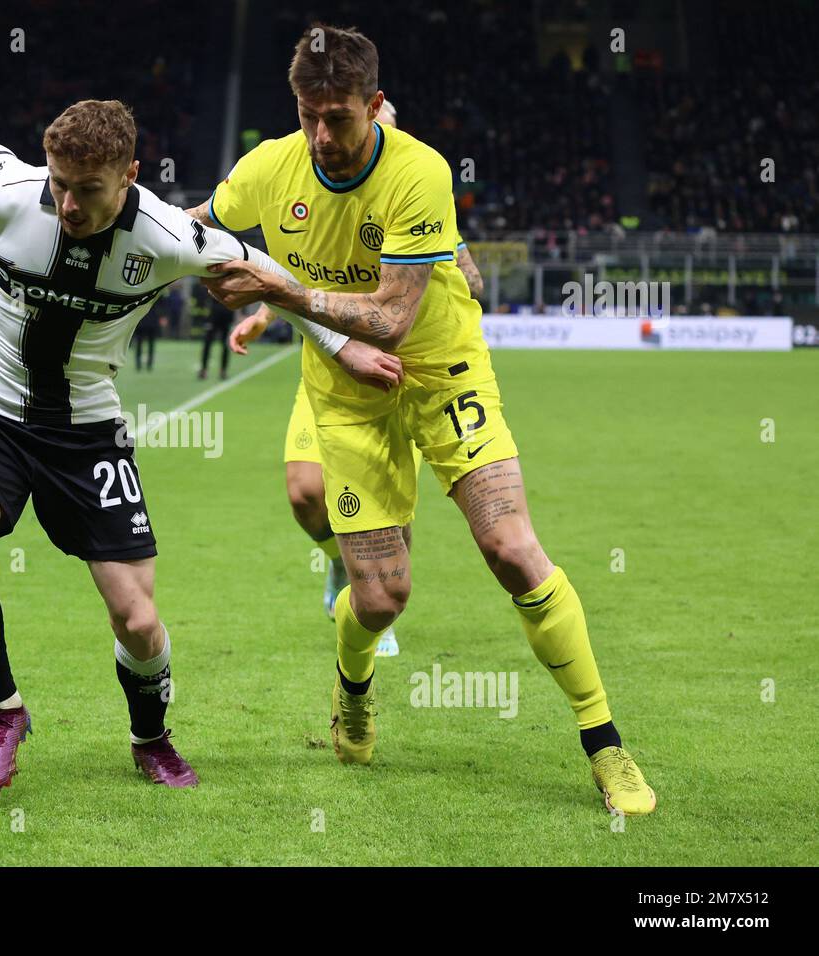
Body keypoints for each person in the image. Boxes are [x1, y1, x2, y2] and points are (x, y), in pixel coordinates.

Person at [195, 25, 655, 815]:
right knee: (380, 598)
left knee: (511, 547)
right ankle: (354, 687)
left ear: (376, 106)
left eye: (337, 116)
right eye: (307, 114)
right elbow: (194, 227)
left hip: (443, 372)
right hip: (347, 397)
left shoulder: (419, 173)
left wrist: (278, 294)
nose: (320, 134)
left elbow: (391, 319)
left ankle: (605, 743)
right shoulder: (268, 168)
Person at [0, 98, 400, 794]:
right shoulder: (16, 195)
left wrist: (342, 344)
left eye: (88, 189)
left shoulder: (169, 235)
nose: (68, 204)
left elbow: (270, 274)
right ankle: (3, 711)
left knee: (137, 621)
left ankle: (151, 740)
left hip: (86, 434)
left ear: (130, 175)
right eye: (59, 183)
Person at [229, 98, 486, 656]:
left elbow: (472, 284)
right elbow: (305, 277)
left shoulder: (414, 197)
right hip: (328, 365)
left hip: (396, 372)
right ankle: (340, 567)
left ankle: (379, 612)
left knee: (388, 508)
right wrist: (264, 315)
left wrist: (440, 273)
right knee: (304, 494)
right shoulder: (319, 193)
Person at [196, 287, 233, 380]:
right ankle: (204, 369)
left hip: (226, 314)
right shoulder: (215, 277)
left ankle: (223, 370)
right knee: (207, 343)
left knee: (225, 344)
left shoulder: (232, 278)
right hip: (214, 315)